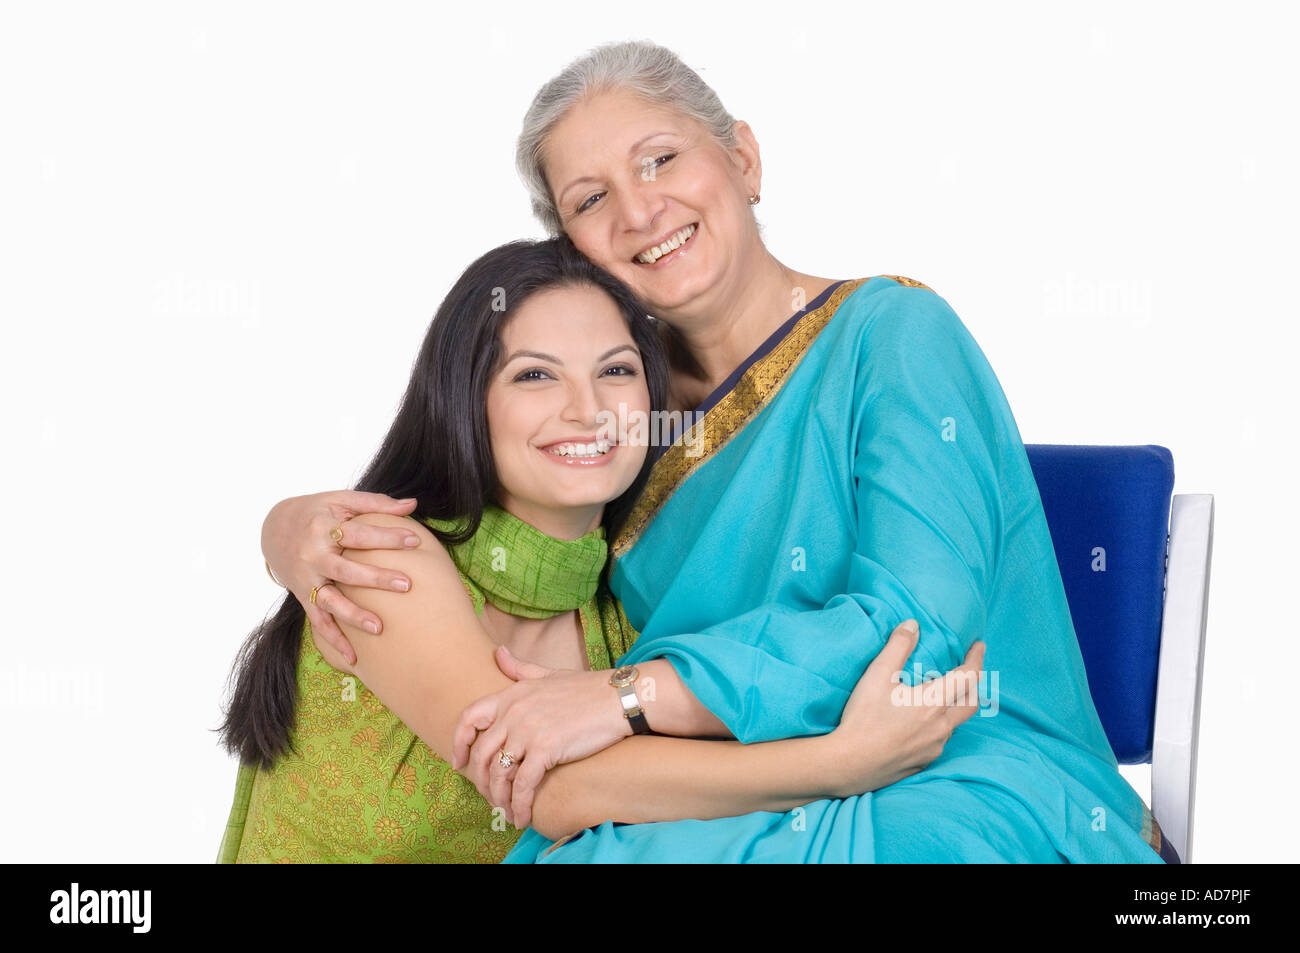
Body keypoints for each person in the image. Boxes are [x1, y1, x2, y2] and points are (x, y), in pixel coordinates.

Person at [259, 41, 1176, 863]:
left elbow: (915, 638)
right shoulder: (613, 425)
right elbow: (473, 502)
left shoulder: (894, 335)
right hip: (723, 785)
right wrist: (290, 528)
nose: (640, 208)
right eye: (591, 198)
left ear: (742, 157)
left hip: (952, 759)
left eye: (661, 158)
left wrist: (628, 694)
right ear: (567, 246)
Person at [218, 235, 971, 863]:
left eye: (615, 370)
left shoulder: (631, 606)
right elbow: (554, 790)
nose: (587, 410)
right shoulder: (386, 560)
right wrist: (841, 764)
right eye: (535, 375)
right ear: (464, 400)